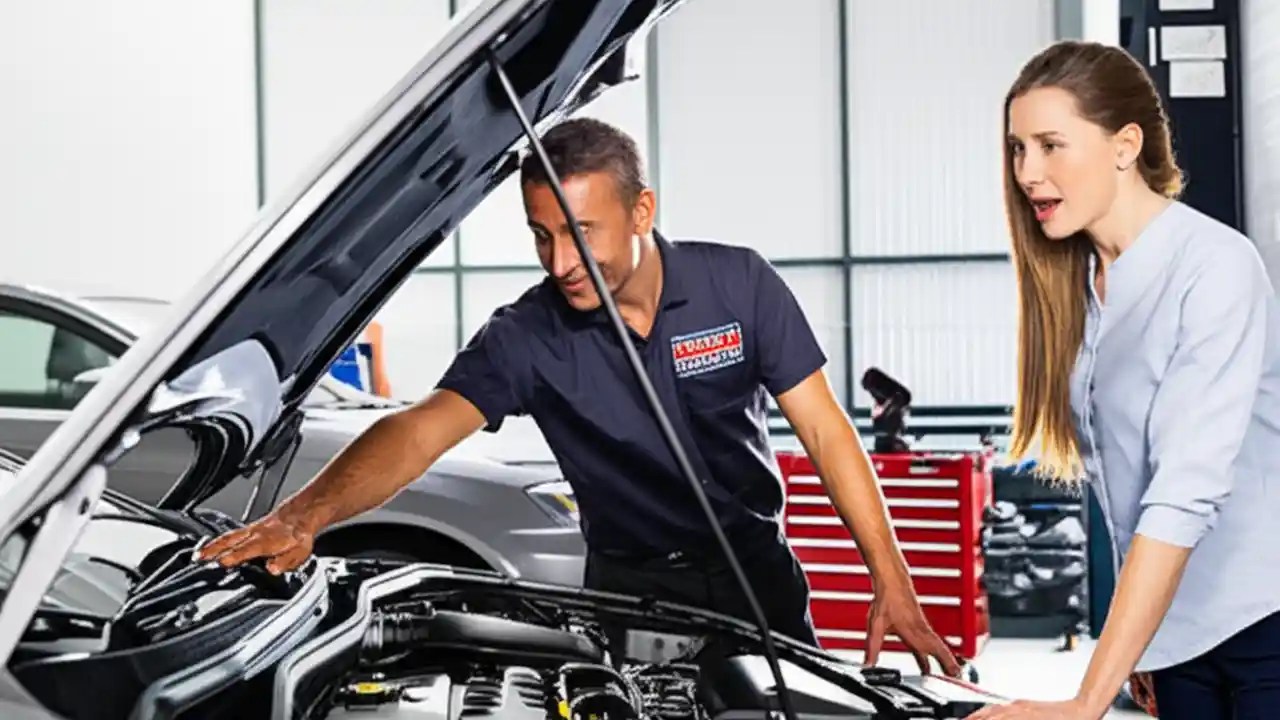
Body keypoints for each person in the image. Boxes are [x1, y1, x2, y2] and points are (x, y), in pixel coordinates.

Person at [195, 117, 961, 676]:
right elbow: (420, 431)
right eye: (541, 235)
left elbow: (827, 434)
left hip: (758, 578)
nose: (561, 262)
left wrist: (892, 582)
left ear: (643, 211)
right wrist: (304, 516)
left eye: (582, 233)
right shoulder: (526, 337)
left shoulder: (741, 285)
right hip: (631, 594)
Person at [968, 40, 1280, 720]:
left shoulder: (1215, 266)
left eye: (1051, 145)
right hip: (1176, 640)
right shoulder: (1078, 288)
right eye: (1018, 148)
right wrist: (1141, 648)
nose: (1027, 171)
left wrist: (1089, 696)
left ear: (1124, 144)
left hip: (1264, 628)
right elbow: (1123, 500)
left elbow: (1181, 494)